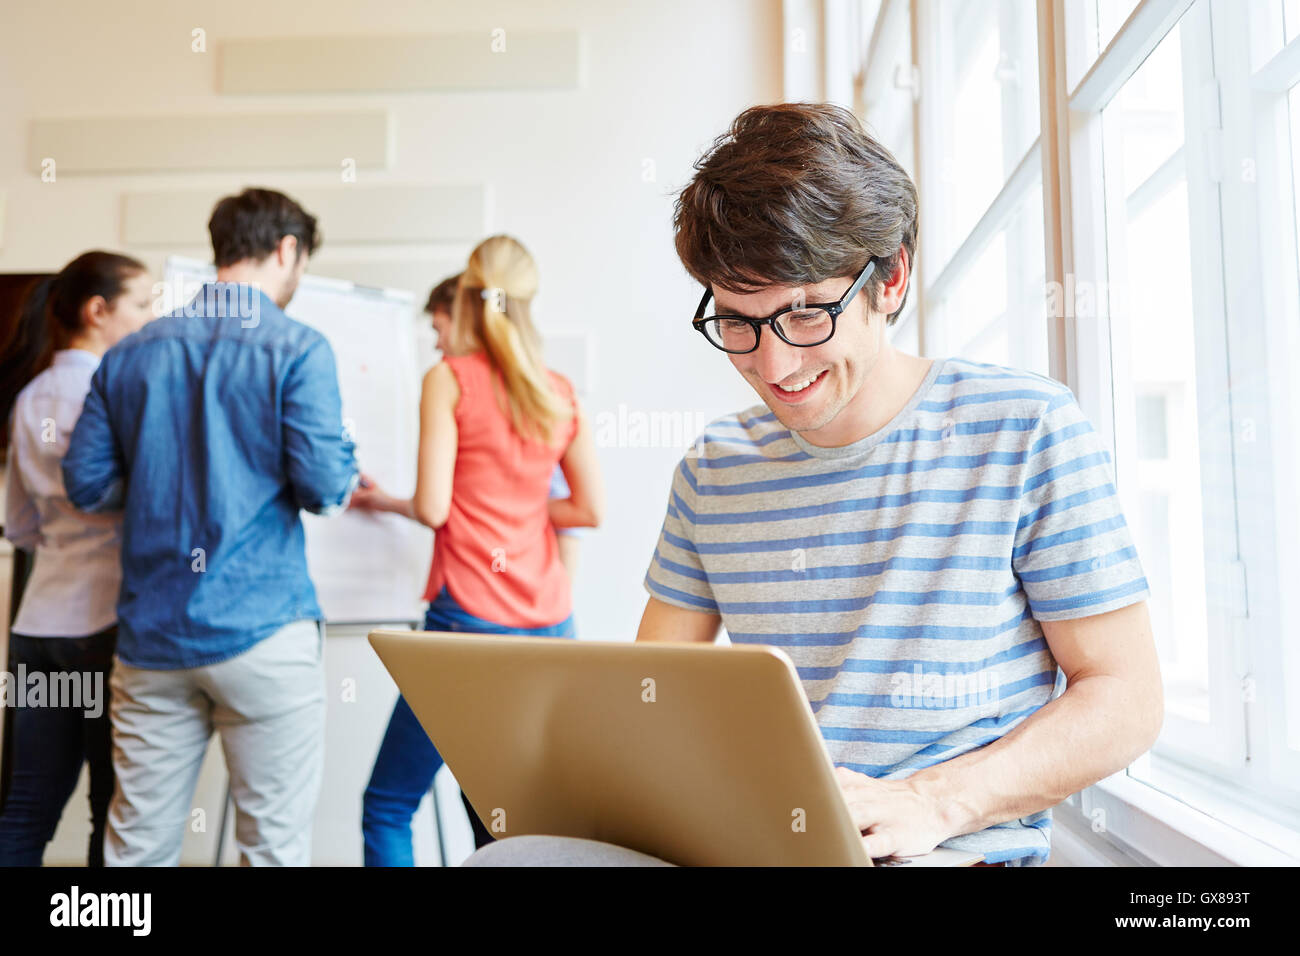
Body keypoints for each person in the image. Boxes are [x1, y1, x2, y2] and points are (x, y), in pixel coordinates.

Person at [464, 103, 1163, 868]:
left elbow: (1126, 698)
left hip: (941, 848)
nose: (773, 367)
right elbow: (652, 693)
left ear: (889, 278)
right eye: (737, 322)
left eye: (804, 315)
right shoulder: (714, 467)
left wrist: (934, 800)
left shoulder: (1023, 429)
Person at [61, 188, 358, 866]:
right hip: (263, 630)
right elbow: (321, 487)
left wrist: (165, 477)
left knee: (135, 849)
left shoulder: (131, 353)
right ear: (287, 251)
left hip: (152, 637)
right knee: (272, 847)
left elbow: (85, 483)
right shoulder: (299, 348)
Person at [350, 236, 603, 866]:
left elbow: (436, 508)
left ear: (466, 293)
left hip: (468, 622)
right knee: (505, 814)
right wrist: (516, 508)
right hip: (550, 626)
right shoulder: (558, 390)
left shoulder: (449, 379)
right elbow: (588, 509)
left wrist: (406, 503)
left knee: (386, 805)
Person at [0, 253, 154, 866]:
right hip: (102, 625)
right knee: (109, 808)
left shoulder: (29, 394)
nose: (149, 320)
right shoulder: (109, 388)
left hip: (37, 628)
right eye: (141, 305)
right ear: (99, 311)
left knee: (27, 803)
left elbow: (18, 523)